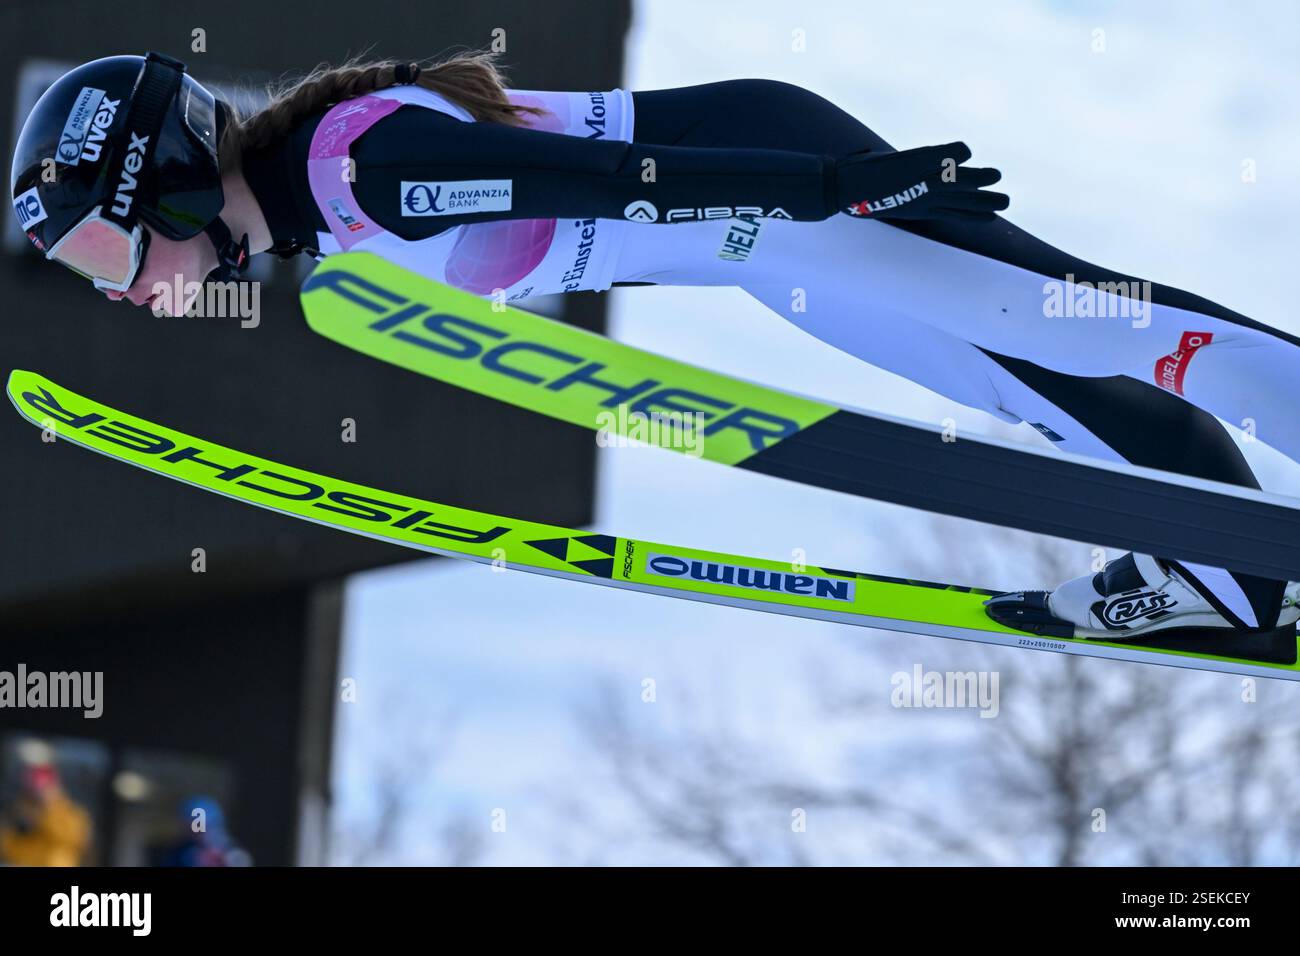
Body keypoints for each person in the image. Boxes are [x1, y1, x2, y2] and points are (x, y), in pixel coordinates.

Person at [11, 50, 1299, 644]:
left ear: (167, 187)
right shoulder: (326, 212)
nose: (117, 292)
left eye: (107, 255)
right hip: (761, 248)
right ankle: (1231, 564)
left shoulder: (366, 175)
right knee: (1028, 383)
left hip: (766, 196)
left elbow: (610, 178)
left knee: (1093, 323)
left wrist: (822, 184)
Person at [0, 762, 92, 866]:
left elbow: (74, 839)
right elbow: (7, 849)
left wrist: (45, 815)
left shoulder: (72, 813)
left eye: (45, 788)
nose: (39, 794)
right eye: (34, 789)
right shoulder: (19, 811)